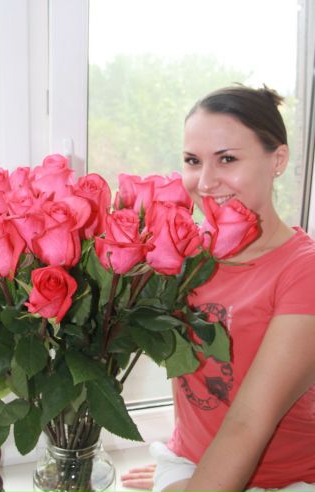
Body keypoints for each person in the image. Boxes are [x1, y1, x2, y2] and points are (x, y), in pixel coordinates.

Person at [121, 85, 315, 492]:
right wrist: (183, 470)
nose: (206, 183)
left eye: (227, 159)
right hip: (194, 465)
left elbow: (248, 421)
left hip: (288, 481)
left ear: (278, 160)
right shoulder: (185, 249)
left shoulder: (304, 271)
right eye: (193, 161)